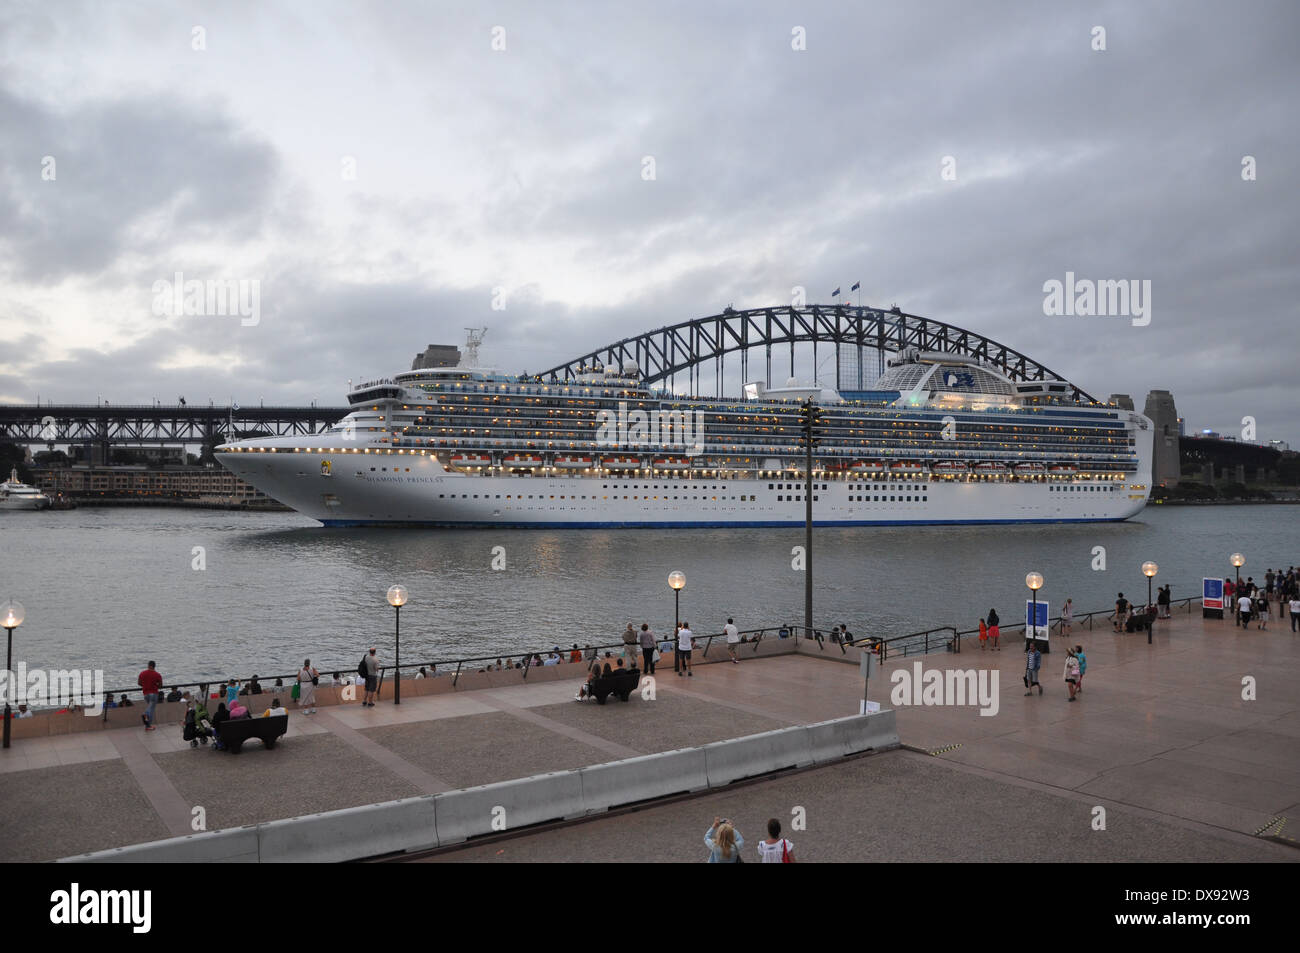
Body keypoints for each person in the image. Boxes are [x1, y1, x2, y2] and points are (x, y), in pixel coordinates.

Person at [137, 660, 162, 732]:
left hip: (145, 694)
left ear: (148, 665)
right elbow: (160, 685)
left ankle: (147, 724)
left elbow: (139, 683)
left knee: (150, 708)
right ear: (154, 666)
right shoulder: (157, 674)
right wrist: (155, 685)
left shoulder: (142, 673)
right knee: (151, 709)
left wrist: (145, 685)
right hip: (154, 693)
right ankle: (148, 725)